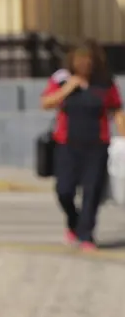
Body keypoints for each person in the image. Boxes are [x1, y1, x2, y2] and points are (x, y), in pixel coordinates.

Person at [41, 39, 125, 251]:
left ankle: (86, 235)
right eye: (80, 60)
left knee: (92, 192)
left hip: (97, 146)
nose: (84, 64)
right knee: (64, 191)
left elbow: (116, 112)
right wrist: (67, 89)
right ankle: (74, 222)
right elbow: (46, 103)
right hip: (67, 145)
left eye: (88, 60)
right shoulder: (61, 79)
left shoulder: (105, 83)